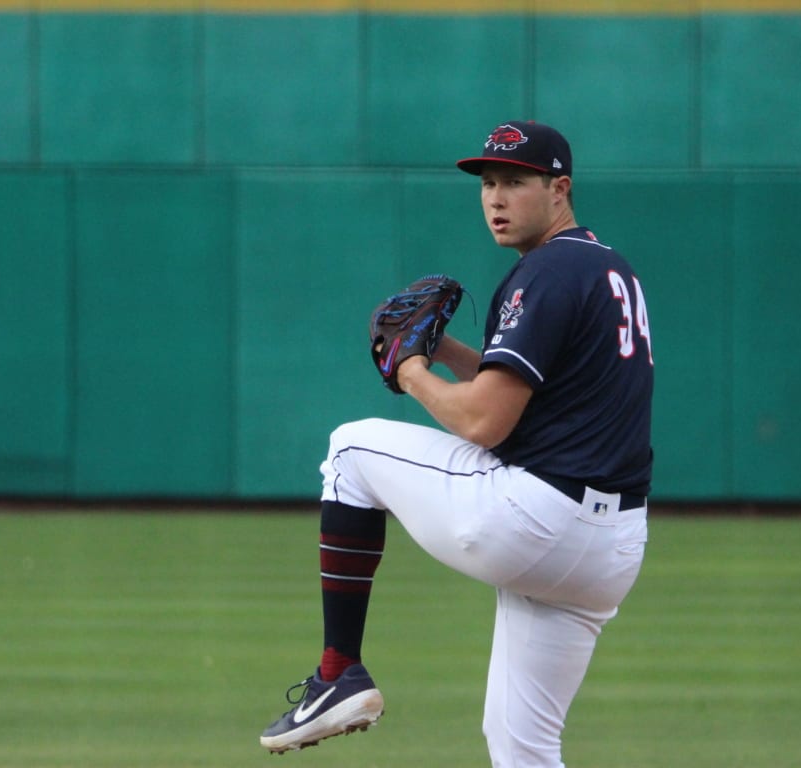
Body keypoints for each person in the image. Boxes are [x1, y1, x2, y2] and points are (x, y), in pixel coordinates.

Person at [259, 120, 654, 768]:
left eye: (516, 182)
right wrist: (440, 349)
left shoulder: (546, 270)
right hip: (611, 548)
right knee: (521, 746)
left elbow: (484, 423)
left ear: (560, 189)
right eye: (488, 183)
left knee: (351, 452)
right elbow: (534, 397)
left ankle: (337, 674)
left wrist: (411, 370)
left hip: (538, 520)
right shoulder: (607, 268)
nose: (496, 198)